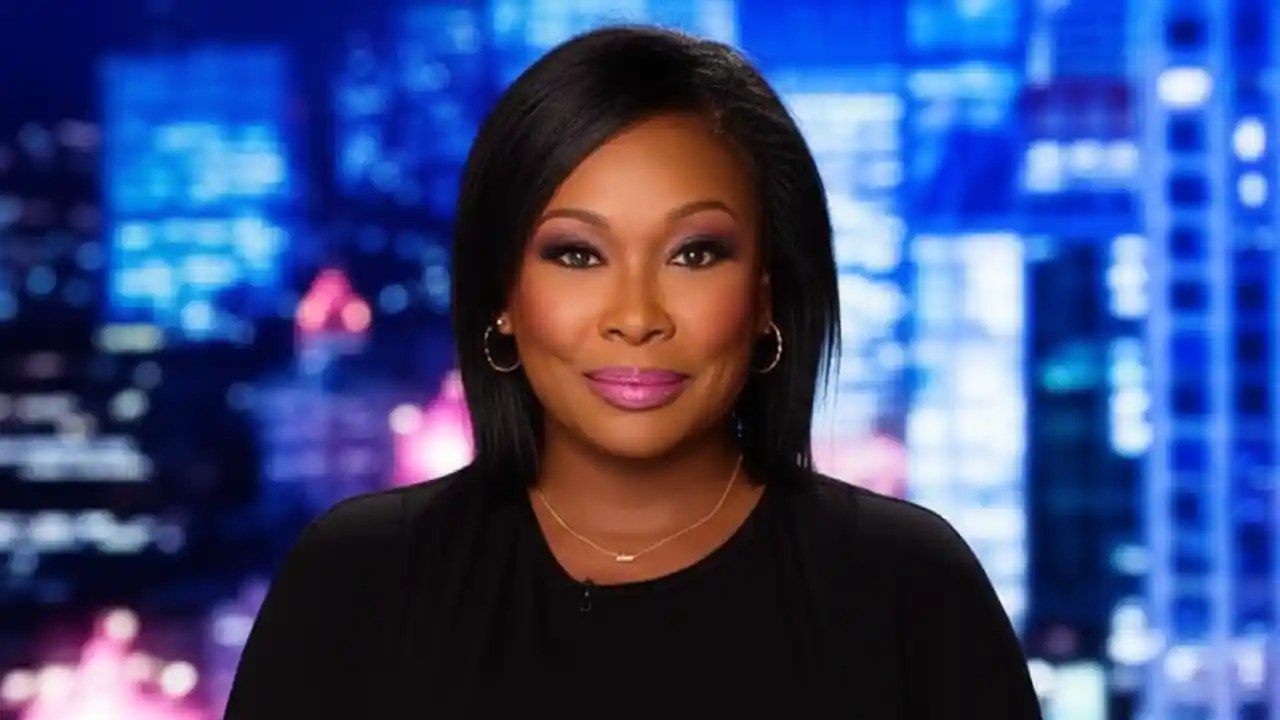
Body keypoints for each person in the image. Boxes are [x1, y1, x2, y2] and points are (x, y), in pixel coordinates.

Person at [225, 25, 1042, 719]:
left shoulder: (906, 586)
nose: (638, 314)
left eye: (694, 253)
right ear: (503, 296)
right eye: (577, 254)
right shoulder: (357, 581)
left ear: (765, 298)